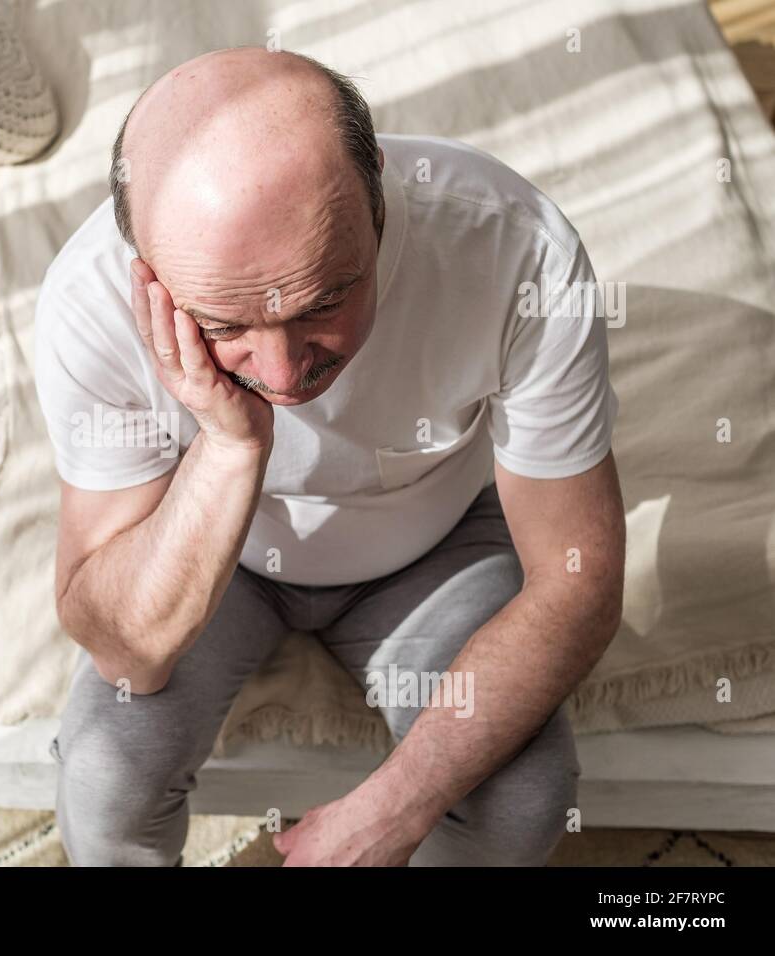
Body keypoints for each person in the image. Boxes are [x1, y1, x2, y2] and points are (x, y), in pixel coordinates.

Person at [33, 46, 626, 866]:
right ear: (148, 275)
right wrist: (233, 444)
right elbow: (123, 645)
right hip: (208, 543)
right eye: (226, 324)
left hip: (434, 545)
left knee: (522, 798)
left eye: (324, 300)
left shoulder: (518, 252)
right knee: (102, 775)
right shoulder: (87, 303)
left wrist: (392, 808)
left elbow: (580, 583)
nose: (284, 375)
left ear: (377, 191)